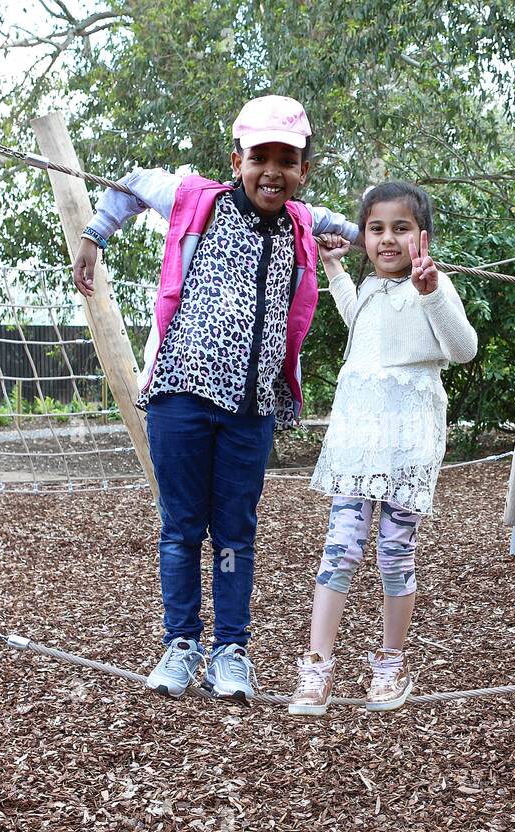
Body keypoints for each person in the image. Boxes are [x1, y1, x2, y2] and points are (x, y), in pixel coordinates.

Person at [73, 95, 357, 702]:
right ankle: (181, 644)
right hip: (181, 395)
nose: (272, 171)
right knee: (180, 528)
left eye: (288, 159)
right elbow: (127, 185)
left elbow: (363, 233)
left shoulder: (306, 223)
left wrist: (391, 247)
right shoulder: (194, 199)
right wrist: (94, 236)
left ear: (304, 169)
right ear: (238, 159)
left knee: (235, 532)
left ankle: (230, 650)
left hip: (252, 409)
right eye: (260, 157)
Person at [287, 182, 477, 716]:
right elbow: (360, 324)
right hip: (359, 442)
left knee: (395, 555)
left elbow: (462, 350)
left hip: (407, 445)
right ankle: (317, 666)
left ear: (423, 237)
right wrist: (336, 271)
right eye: (376, 228)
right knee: (341, 549)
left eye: (401, 228)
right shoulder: (370, 287)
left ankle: (390, 663)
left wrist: (431, 292)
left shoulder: (435, 287)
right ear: (364, 235)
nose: (388, 238)